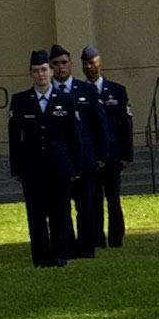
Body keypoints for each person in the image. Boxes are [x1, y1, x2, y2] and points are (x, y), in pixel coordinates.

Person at [7, 50, 78, 269]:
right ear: (31, 73)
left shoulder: (65, 99)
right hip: (33, 169)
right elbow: (14, 138)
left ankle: (59, 256)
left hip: (59, 167)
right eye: (36, 71)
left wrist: (75, 167)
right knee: (36, 216)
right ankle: (40, 258)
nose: (41, 75)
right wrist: (16, 168)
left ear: (51, 71)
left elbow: (73, 136)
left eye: (44, 70)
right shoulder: (20, 101)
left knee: (59, 214)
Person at [49, 44, 104, 259]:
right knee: (62, 208)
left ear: (71, 65)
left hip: (86, 159)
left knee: (86, 206)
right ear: (51, 68)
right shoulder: (47, 93)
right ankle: (67, 247)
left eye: (64, 63)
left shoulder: (87, 90)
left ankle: (86, 247)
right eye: (56, 64)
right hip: (61, 160)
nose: (61, 68)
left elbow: (99, 125)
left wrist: (100, 155)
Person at [79, 47, 133, 247]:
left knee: (113, 198)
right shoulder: (80, 92)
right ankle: (97, 238)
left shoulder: (117, 91)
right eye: (85, 64)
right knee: (93, 200)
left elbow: (125, 124)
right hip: (91, 156)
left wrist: (126, 155)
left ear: (100, 63)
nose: (89, 67)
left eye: (92, 63)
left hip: (112, 155)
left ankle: (116, 237)